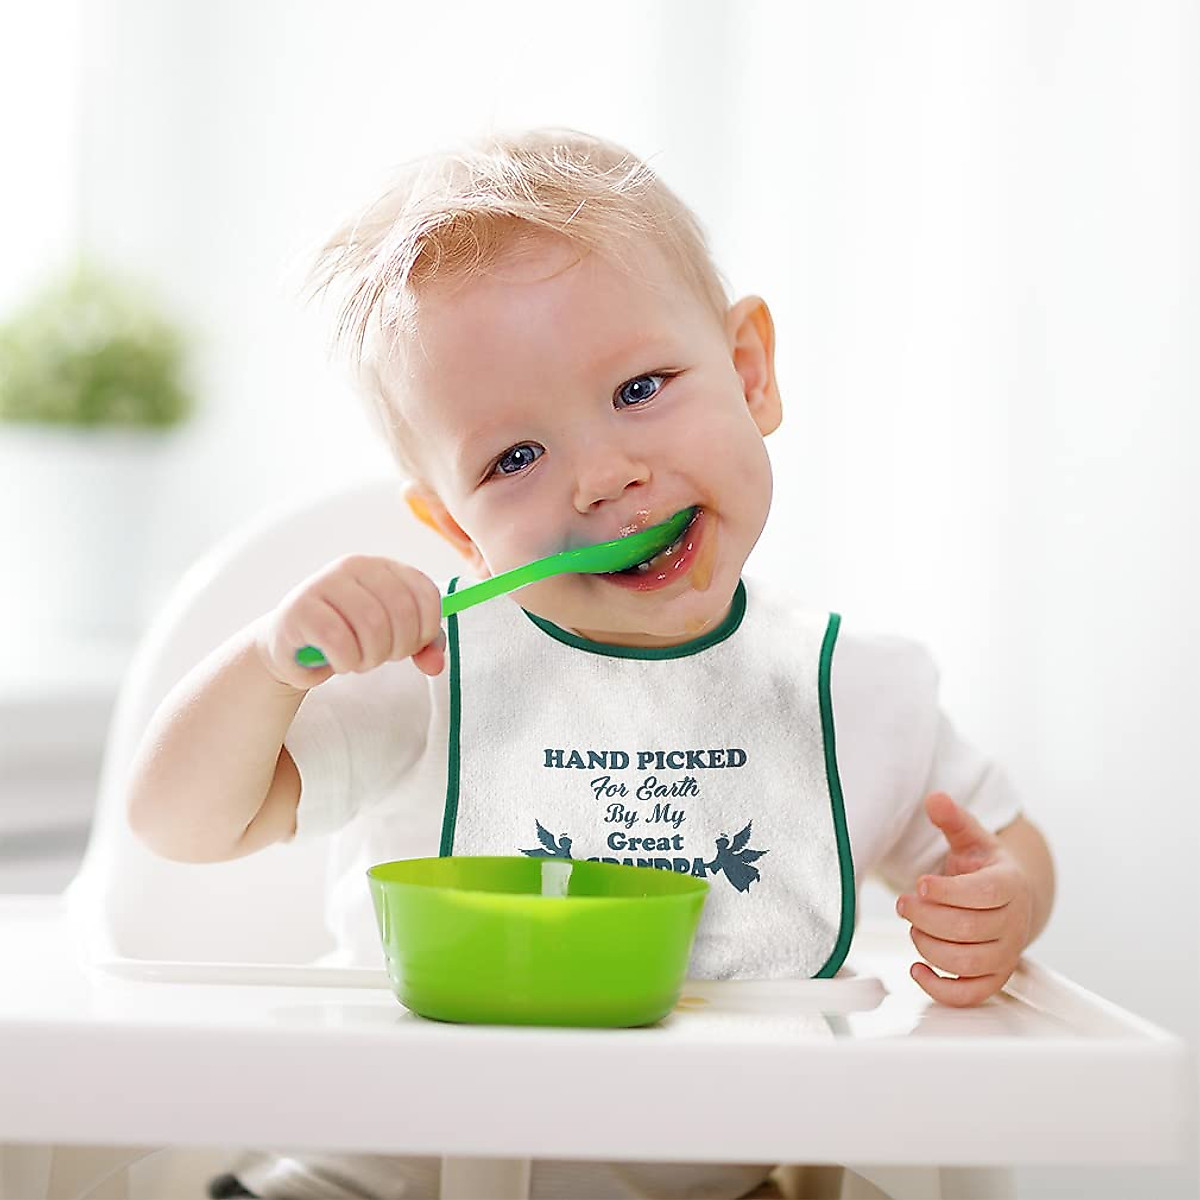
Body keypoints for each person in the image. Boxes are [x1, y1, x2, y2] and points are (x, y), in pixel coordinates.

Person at [127, 128, 1056, 1200]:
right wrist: (266, 666)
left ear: (749, 372)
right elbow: (180, 824)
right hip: (378, 1180)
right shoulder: (433, 675)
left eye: (641, 387)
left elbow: (1001, 850)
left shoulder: (853, 691)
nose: (606, 479)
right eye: (514, 458)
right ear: (455, 526)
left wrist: (1003, 903)